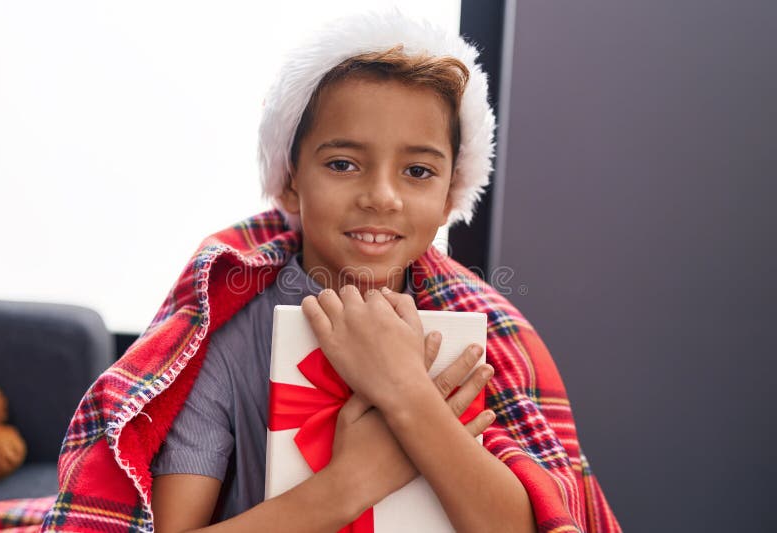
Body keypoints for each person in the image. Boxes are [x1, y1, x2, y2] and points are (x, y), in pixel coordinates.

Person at [43, 10, 620, 533]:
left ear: (451, 194)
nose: (381, 196)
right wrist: (352, 483)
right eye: (343, 163)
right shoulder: (225, 336)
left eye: (418, 171)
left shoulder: (479, 336)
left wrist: (407, 398)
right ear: (291, 176)